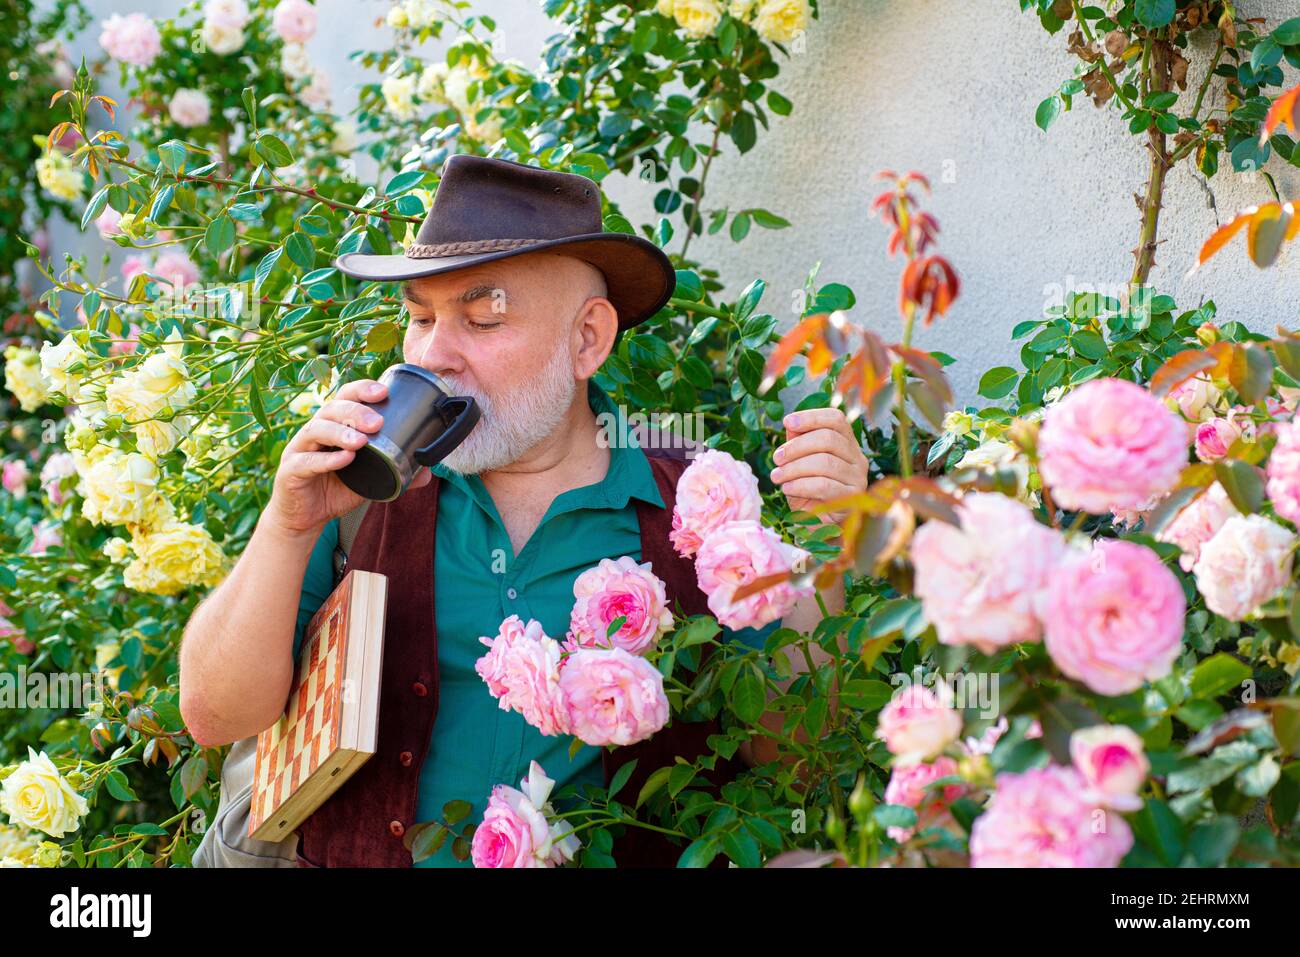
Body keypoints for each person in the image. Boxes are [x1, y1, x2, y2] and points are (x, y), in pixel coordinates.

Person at [178, 154, 869, 866]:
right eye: (419, 317)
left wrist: (826, 538)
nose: (434, 353)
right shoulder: (364, 491)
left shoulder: (696, 508)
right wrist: (288, 523)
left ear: (586, 339)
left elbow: (794, 758)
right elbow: (214, 714)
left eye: (481, 319)